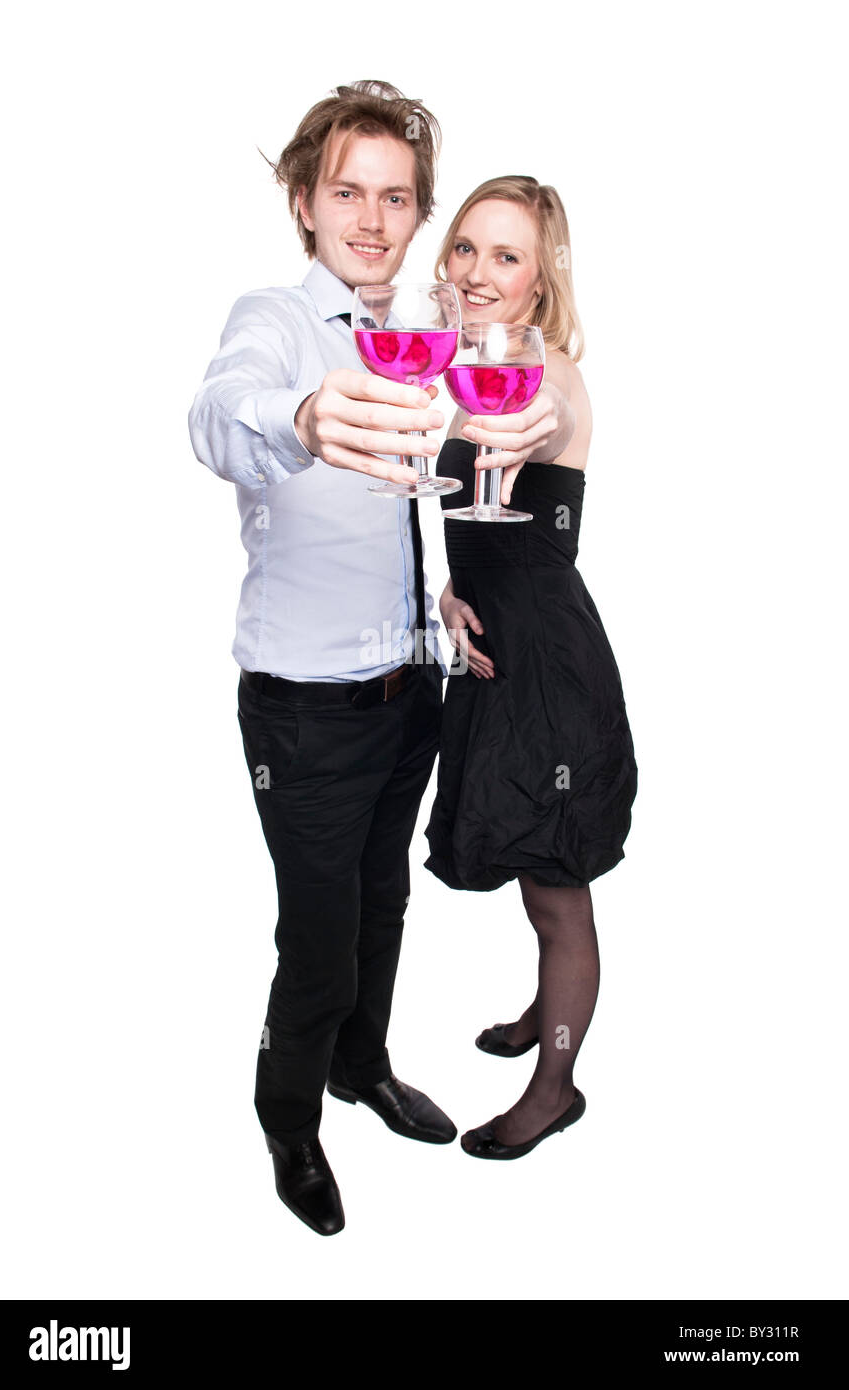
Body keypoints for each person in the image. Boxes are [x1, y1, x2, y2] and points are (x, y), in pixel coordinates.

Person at [187, 88, 575, 1234]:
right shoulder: (274, 322)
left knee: (382, 906)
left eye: (395, 197)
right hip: (302, 711)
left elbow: (408, 501)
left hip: (410, 691)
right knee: (315, 937)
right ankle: (288, 1118)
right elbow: (217, 417)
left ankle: (362, 1065)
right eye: (346, 191)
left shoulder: (418, 339)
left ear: (416, 217)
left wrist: (437, 593)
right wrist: (302, 416)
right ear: (304, 202)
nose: (371, 217)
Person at [424, 176, 638, 1159]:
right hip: (492, 657)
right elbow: (465, 526)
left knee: (558, 893)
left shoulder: (538, 379)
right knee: (527, 865)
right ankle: (539, 1015)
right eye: (467, 248)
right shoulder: (464, 366)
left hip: (549, 674)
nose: (477, 271)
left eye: (505, 256)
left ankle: (555, 1083)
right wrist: (442, 594)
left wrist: (493, 418)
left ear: (540, 280)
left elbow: (524, 423)